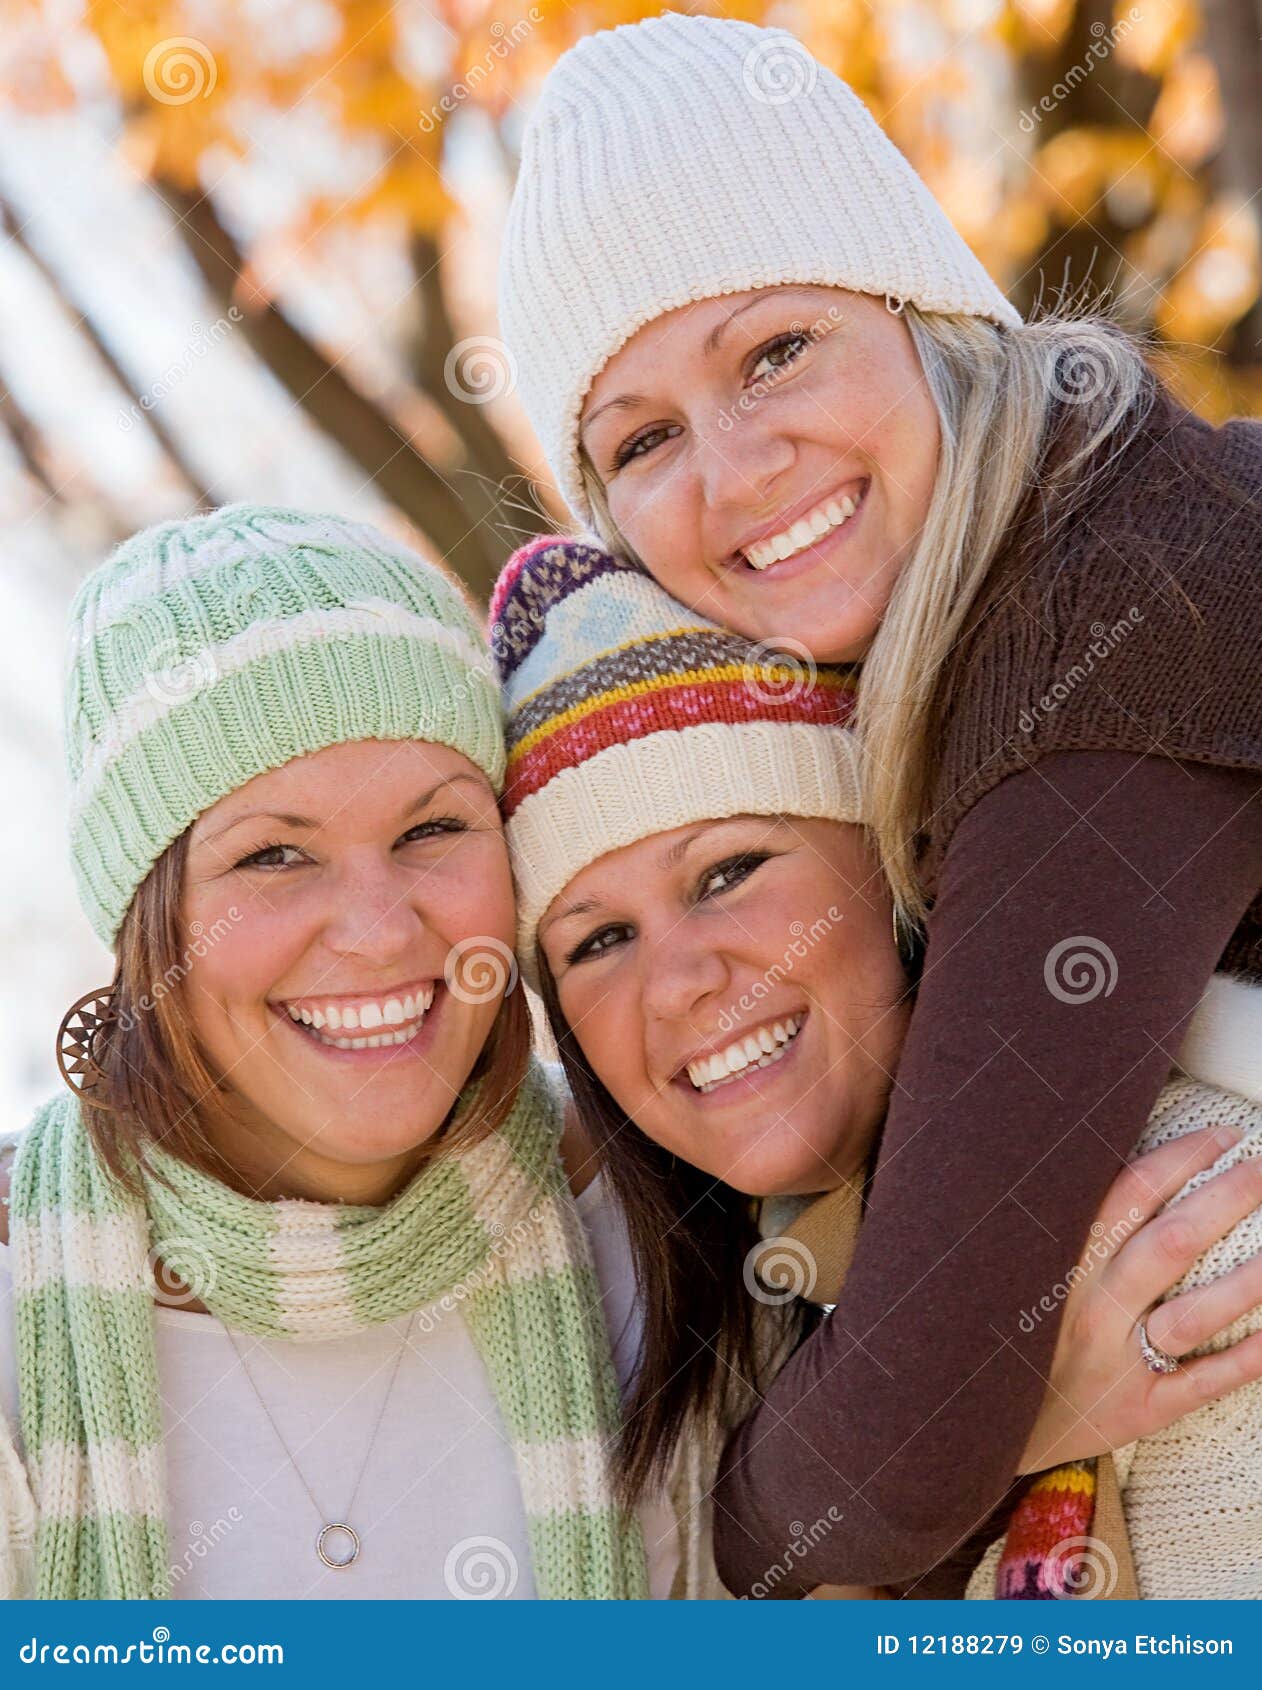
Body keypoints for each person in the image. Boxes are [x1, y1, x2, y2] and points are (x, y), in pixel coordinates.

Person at [495, 13, 1262, 1591]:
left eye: (774, 350)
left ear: (924, 312)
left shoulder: (1109, 607)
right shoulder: (1021, 599)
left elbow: (897, 1440)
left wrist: (717, 1529)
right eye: (643, 439)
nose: (734, 471)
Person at [490, 535, 1262, 1599]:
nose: (677, 985)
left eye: (727, 872)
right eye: (597, 940)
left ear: (894, 866)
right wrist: (996, 1433)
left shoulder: (1194, 1213)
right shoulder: (727, 1340)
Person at [0, 505, 669, 1601]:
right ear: (145, 922)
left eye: (432, 830)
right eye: (274, 855)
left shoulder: (656, 1215)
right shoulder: (19, 1303)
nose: (380, 930)